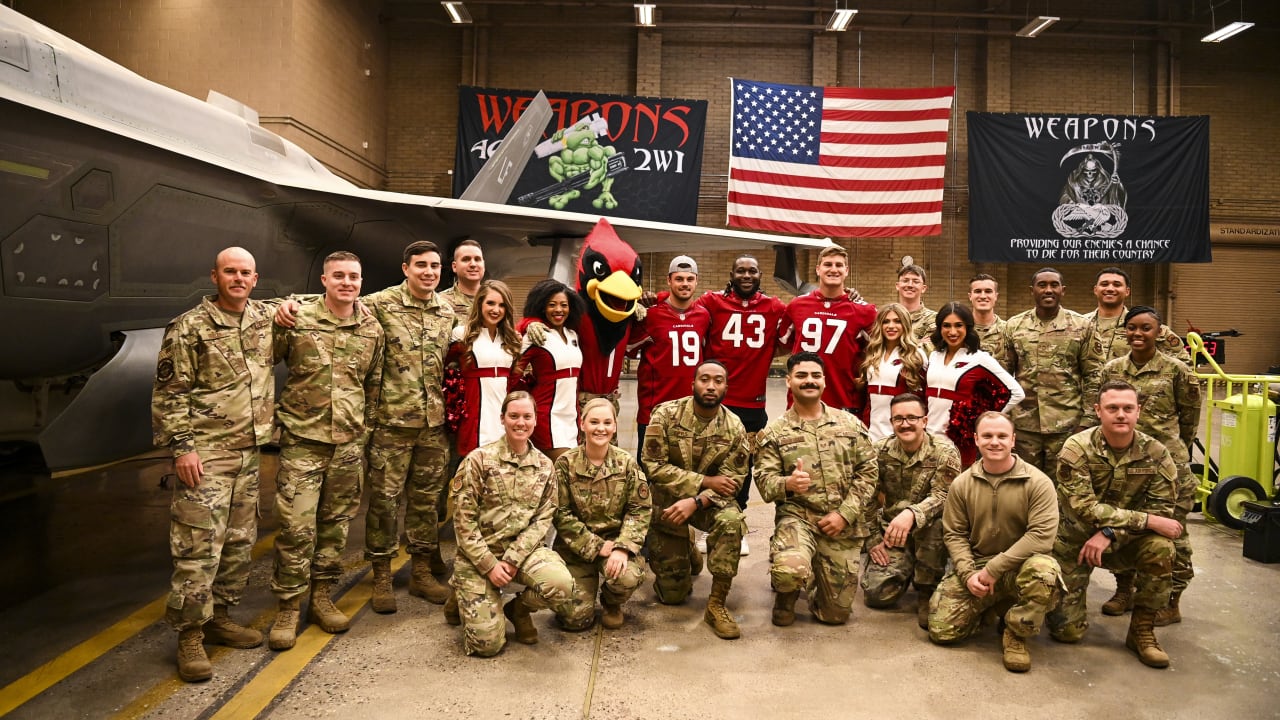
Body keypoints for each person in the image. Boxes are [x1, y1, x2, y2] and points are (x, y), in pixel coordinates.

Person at [152, 247, 274, 682]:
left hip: (250, 452)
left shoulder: (263, 319)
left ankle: (220, 616)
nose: (238, 278)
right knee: (198, 546)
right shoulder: (189, 328)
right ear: (214, 276)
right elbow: (171, 393)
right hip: (206, 454)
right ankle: (189, 634)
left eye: (245, 272)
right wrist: (182, 447)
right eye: (230, 272)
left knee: (240, 542)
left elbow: (303, 307)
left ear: (255, 279)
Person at [268, 251, 384, 651]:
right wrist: (281, 305)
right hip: (303, 441)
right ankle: (288, 605)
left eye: (353, 276)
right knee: (297, 527)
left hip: (349, 444)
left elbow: (373, 385)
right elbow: (263, 357)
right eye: (339, 276)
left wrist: (363, 431)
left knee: (335, 526)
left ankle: (321, 595)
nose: (347, 282)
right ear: (323, 279)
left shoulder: (371, 327)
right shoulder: (296, 318)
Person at [1046, 380, 1183, 669]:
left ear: (1138, 411)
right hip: (1075, 542)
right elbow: (1084, 508)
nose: (1121, 414)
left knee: (1162, 547)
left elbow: (1162, 511)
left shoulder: (1157, 453)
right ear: (1098, 411)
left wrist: (1110, 532)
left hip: (1126, 541)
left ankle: (1142, 631)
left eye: (1128, 408)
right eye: (1112, 408)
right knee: (1066, 632)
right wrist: (1145, 520)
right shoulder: (1077, 448)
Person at [1084, 307, 1202, 626]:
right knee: (1125, 525)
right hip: (1123, 464)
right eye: (1132, 328)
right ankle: (1125, 591)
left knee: (1172, 532)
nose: (1138, 334)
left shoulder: (1176, 370)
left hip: (1167, 467)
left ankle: (1171, 601)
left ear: (1158, 332)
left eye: (1146, 328)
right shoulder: (1112, 369)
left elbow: (1190, 417)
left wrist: (1174, 447)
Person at [928, 412, 1061, 674]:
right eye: (987, 436)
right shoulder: (962, 484)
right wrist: (968, 574)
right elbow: (954, 534)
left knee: (1045, 571)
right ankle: (993, 607)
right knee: (941, 632)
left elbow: (1041, 536)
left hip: (1023, 565)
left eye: (1002, 436)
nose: (995, 442)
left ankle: (1016, 633)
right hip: (978, 566)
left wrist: (994, 570)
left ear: (1013, 440)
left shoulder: (1038, 482)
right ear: (976, 439)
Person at [755, 352, 878, 627]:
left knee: (835, 615)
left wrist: (845, 513)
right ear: (788, 381)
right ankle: (788, 589)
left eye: (815, 376)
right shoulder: (775, 432)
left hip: (840, 523)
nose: (808, 381)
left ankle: (811, 576)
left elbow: (869, 472)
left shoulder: (850, 425)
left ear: (824, 381)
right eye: (801, 376)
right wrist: (787, 483)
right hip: (798, 519)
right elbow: (764, 483)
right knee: (789, 571)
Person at [449, 391, 575, 657]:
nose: (521, 423)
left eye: (527, 416)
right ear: (502, 419)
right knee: (487, 646)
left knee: (562, 586)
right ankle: (460, 591)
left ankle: (517, 610)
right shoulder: (478, 461)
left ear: (535, 420)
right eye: (514, 416)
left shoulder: (544, 465)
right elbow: (463, 521)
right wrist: (489, 565)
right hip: (478, 556)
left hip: (521, 554)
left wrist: (511, 560)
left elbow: (543, 520)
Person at [641, 360, 751, 639]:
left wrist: (698, 500)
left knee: (731, 521)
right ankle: (686, 547)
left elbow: (733, 480)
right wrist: (703, 480)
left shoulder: (734, 427)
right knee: (672, 596)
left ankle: (716, 604)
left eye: (718, 380)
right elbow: (652, 466)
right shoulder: (666, 415)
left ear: (726, 387)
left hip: (707, 504)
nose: (711, 386)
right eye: (704, 379)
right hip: (668, 504)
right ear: (693, 384)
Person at [694, 253, 788, 538]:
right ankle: (709, 521)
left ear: (760, 275)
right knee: (710, 462)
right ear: (731, 275)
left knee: (742, 468)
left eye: (752, 271)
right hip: (718, 401)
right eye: (741, 271)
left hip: (752, 403)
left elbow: (789, 334)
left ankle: (737, 521)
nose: (746, 276)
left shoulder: (774, 306)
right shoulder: (712, 302)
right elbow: (682, 303)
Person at [861, 393, 962, 629]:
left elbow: (944, 496)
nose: (905, 424)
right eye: (898, 419)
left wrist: (911, 514)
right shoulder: (880, 451)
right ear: (892, 422)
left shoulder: (944, 452)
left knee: (936, 524)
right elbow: (866, 498)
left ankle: (927, 586)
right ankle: (906, 569)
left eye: (911, 418)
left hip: (930, 533)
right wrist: (873, 539)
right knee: (877, 595)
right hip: (893, 533)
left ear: (924, 421)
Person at [551, 399, 652, 630]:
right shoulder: (565, 464)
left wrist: (622, 547)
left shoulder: (626, 464)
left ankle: (611, 602)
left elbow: (640, 509)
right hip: (576, 548)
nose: (601, 428)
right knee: (575, 620)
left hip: (615, 545)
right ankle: (582, 597)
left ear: (615, 426)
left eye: (607, 422)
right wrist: (595, 546)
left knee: (627, 578)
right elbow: (560, 514)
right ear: (582, 424)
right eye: (594, 422)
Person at [1002, 268, 1102, 480]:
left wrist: (1086, 421)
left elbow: (1094, 377)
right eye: (1042, 285)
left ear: (1062, 290)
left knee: (1066, 485)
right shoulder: (1014, 326)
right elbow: (1002, 376)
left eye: (1054, 285)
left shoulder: (1082, 326)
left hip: (1067, 424)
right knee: (1024, 482)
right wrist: (1005, 417)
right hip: (1024, 425)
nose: (1048, 290)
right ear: (1032, 290)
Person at [778, 245, 877, 415]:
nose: (833, 269)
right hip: (801, 400)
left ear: (846, 271)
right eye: (828, 264)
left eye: (839, 265)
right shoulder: (796, 305)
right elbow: (781, 345)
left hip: (844, 401)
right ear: (818, 269)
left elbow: (880, 350)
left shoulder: (865, 311)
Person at [926, 302, 1024, 466]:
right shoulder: (934, 356)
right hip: (929, 438)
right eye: (946, 326)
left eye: (959, 325)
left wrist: (984, 420)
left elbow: (1016, 393)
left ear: (968, 327)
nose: (952, 332)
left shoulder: (979, 358)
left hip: (959, 441)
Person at [631, 255, 711, 450]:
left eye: (689, 279)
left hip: (691, 410)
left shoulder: (704, 315)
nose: (685, 284)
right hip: (655, 410)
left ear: (696, 281)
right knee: (650, 470)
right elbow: (629, 350)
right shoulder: (651, 314)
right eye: (679, 279)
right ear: (669, 280)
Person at [510, 279, 585, 460]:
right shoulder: (536, 334)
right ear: (542, 307)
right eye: (552, 305)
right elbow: (511, 374)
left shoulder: (572, 334)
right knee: (566, 469)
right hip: (547, 417)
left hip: (572, 416)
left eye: (563, 305)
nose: (558, 310)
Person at [445, 280, 521, 458]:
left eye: (502, 305)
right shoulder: (461, 334)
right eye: (491, 303)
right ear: (480, 304)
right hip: (473, 415)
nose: (496, 310)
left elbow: (515, 379)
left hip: (504, 414)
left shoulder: (513, 339)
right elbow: (443, 367)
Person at [1083, 267, 1191, 365]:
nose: (1110, 288)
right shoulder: (1080, 324)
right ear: (1095, 290)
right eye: (1104, 284)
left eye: (1117, 285)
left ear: (1127, 291)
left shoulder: (1147, 327)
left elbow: (1184, 364)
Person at [859, 303, 927, 441]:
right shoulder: (872, 354)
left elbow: (923, 399)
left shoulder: (916, 355)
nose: (891, 326)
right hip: (872, 434)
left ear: (905, 325)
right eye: (886, 321)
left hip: (902, 435)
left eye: (897, 321)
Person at [439, 238, 485, 318]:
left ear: (483, 265)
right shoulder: (440, 302)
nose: (473, 264)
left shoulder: (495, 300)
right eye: (466, 259)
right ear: (454, 267)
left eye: (477, 259)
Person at [967, 274, 1007, 366]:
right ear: (970, 296)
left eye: (988, 291)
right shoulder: (961, 330)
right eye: (978, 291)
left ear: (996, 296)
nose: (983, 296)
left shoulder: (1009, 330)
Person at [895, 264, 936, 344]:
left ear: (923, 288)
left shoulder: (933, 319)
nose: (910, 285)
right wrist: (918, 343)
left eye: (916, 281)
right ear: (897, 286)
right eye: (905, 280)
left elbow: (928, 350)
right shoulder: (887, 316)